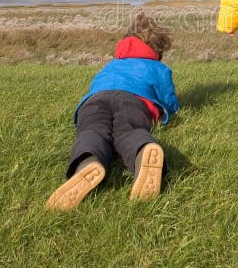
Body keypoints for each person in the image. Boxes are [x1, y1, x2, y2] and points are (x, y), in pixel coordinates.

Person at [46, 13, 179, 210]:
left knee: (92, 131)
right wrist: (167, 112)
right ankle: (143, 153)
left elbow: (95, 84)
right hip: (132, 101)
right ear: (158, 49)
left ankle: (87, 162)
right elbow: (169, 100)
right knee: (129, 131)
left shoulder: (112, 63)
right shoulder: (158, 67)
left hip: (95, 100)